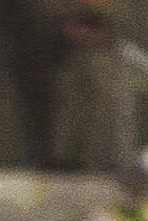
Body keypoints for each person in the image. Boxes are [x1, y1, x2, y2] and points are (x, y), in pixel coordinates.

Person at [48, 0, 117, 174]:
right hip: (69, 54)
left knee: (97, 109)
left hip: (99, 53)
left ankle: (86, 162)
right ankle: (65, 160)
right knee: (70, 109)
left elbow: (108, 19)